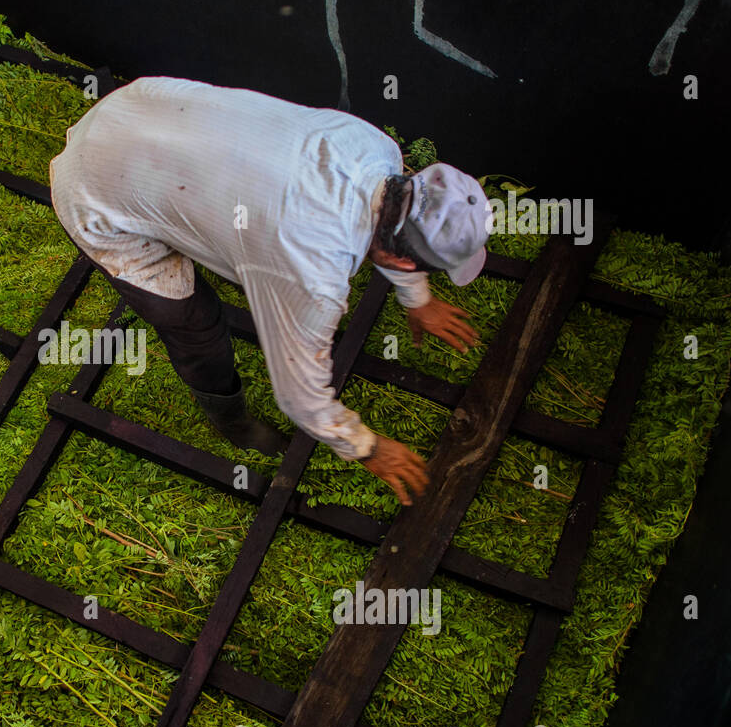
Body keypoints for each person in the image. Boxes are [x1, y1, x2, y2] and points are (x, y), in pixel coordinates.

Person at [48, 76, 492, 506]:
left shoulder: (376, 146)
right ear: (404, 259)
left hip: (143, 106)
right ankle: (231, 420)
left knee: (246, 242)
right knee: (195, 324)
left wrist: (419, 297)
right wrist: (367, 447)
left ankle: (214, 236)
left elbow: (391, 226)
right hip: (96, 190)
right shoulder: (314, 273)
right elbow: (299, 396)